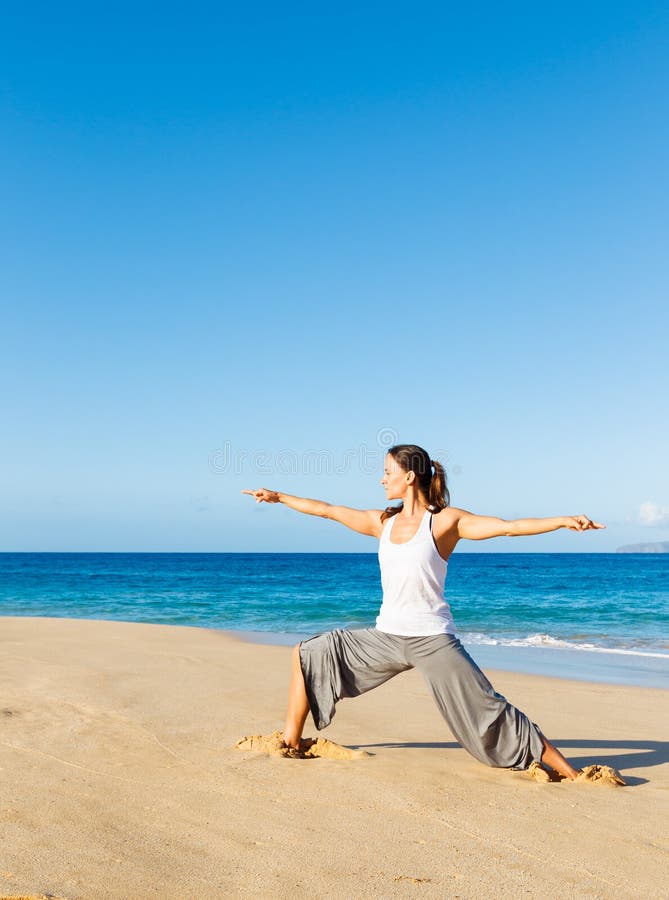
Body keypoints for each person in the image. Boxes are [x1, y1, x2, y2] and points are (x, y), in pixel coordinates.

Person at [242, 443, 605, 779]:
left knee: (488, 708)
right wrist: (279, 497)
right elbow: (328, 510)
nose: (382, 478)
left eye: (388, 471)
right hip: (385, 637)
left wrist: (561, 520)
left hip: (432, 640)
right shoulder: (382, 522)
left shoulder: (445, 522)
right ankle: (290, 742)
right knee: (308, 652)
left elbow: (508, 528)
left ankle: (571, 773)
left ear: (409, 476)